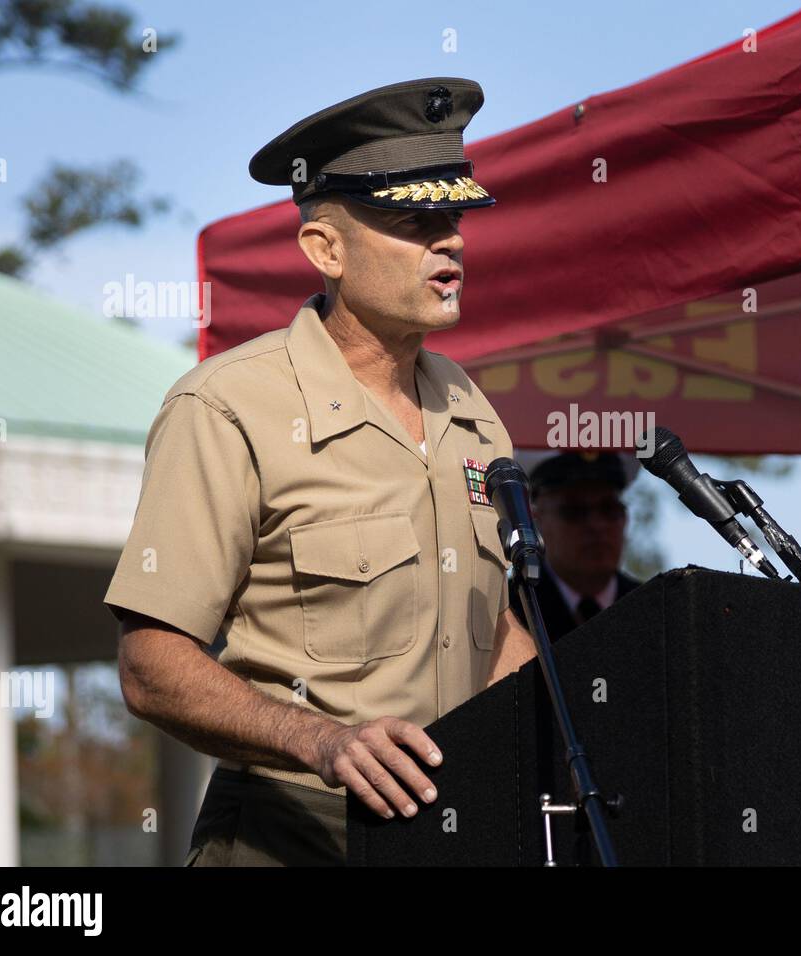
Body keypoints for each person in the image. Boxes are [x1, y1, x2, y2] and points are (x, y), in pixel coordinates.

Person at [104, 77, 537, 866]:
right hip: (289, 834)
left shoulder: (470, 409)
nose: (452, 241)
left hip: (454, 835)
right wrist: (323, 741)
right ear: (325, 249)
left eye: (457, 217)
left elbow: (495, 626)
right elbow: (150, 664)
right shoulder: (229, 406)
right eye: (415, 220)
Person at [509, 451, 643, 643]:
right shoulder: (511, 612)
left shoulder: (652, 605)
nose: (597, 525)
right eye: (574, 511)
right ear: (536, 521)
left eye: (609, 509)